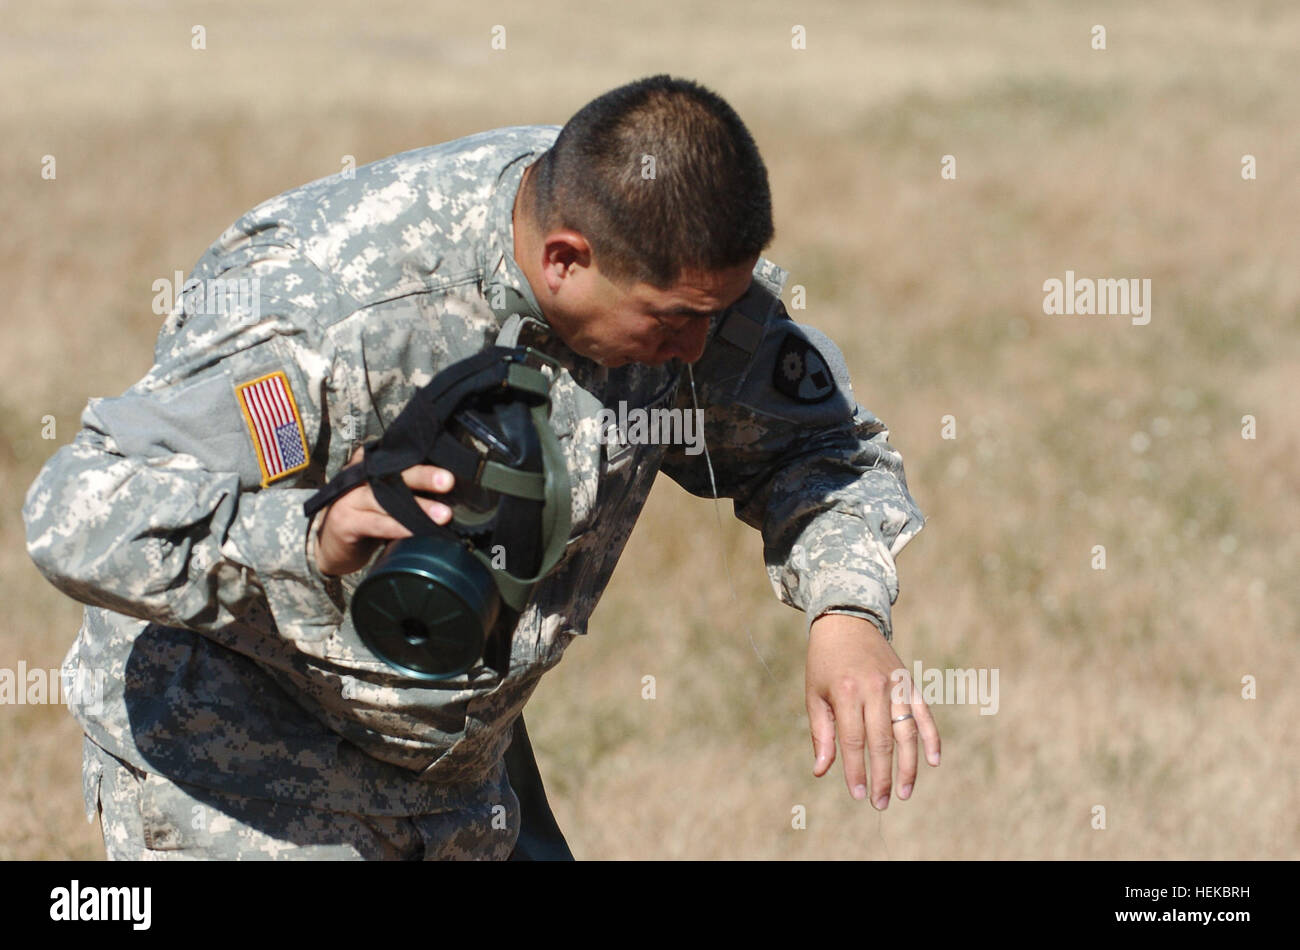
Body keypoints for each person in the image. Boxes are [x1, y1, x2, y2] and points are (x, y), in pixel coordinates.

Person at [23, 74, 939, 860]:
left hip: (454, 777)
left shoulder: (668, 269)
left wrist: (847, 611)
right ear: (565, 261)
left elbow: (818, 448)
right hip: (240, 769)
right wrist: (306, 538)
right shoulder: (328, 299)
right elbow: (78, 512)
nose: (701, 350)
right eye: (673, 322)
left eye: (713, 315)